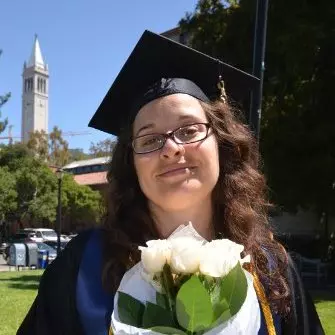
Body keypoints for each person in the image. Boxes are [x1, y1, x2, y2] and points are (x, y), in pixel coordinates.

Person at [17, 30, 324, 335]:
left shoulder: (271, 268)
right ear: (132, 163)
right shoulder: (84, 267)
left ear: (223, 145)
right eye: (150, 139)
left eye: (189, 130)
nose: (171, 148)